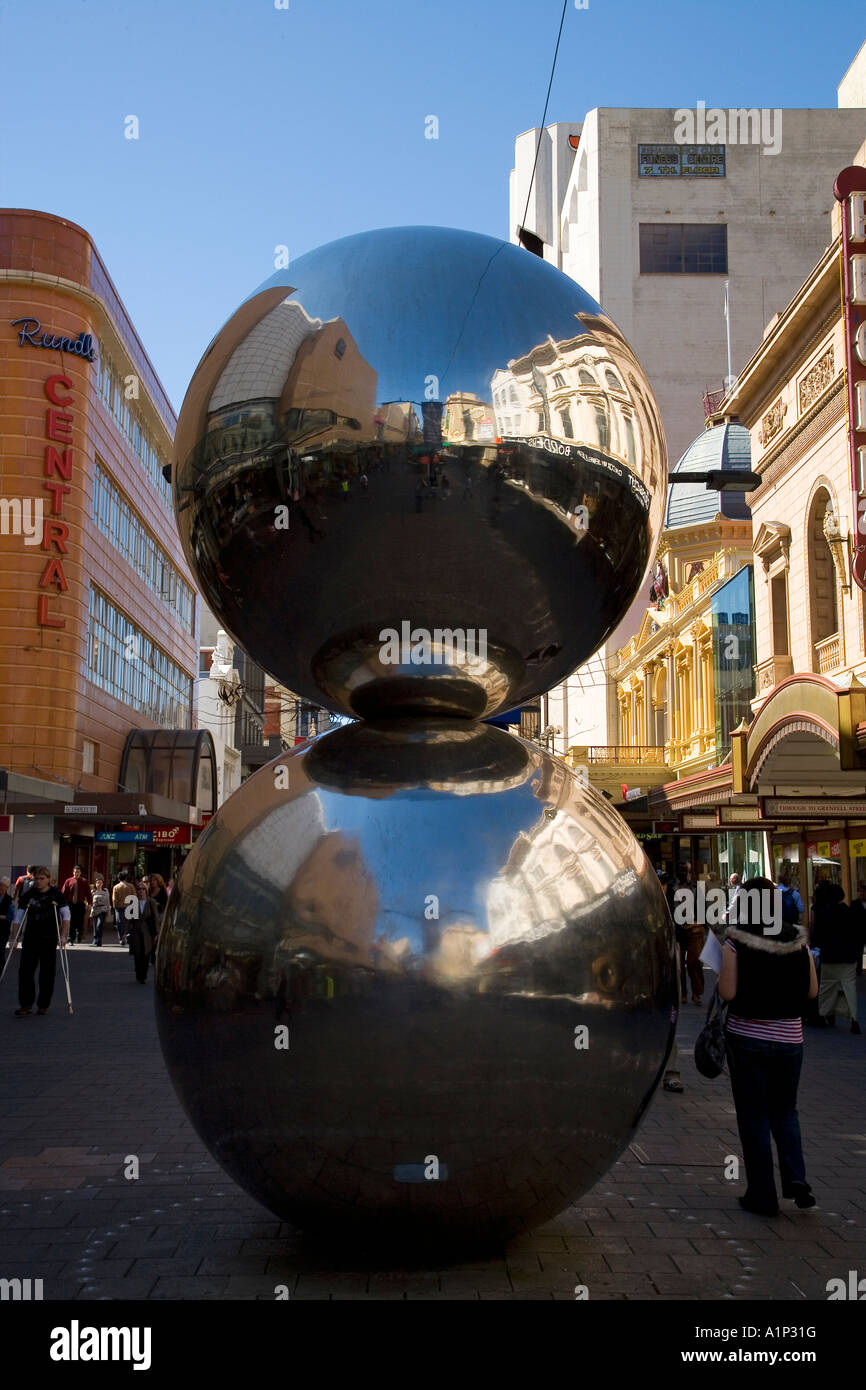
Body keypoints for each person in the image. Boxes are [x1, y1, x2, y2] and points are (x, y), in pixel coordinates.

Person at [719, 875, 819, 1215]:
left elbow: (727, 993)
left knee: (754, 1117)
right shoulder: (797, 939)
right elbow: (812, 992)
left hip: (747, 1037)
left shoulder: (736, 940)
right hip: (791, 1038)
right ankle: (796, 1179)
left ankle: (762, 1194)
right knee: (786, 1112)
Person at [13, 867, 70, 1015]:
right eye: (36, 879)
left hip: (49, 938)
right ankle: (26, 1004)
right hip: (30, 938)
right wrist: (14, 938)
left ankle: (43, 1004)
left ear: (48, 879)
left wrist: (63, 935)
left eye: (41, 879)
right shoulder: (28, 895)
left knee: (47, 973)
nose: (38, 881)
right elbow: (18, 917)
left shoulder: (56, 894)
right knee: (25, 972)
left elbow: (65, 915)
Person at [810, 881, 861, 1033]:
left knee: (827, 988)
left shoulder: (824, 912)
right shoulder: (848, 910)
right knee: (849, 988)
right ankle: (854, 1019)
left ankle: (826, 1013)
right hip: (848, 957)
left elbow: (817, 935)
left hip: (829, 956)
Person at [129, 879, 160, 984]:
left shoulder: (151, 902)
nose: (141, 891)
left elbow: (156, 918)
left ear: (146, 891)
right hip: (136, 931)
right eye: (139, 889)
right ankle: (138, 973)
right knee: (137, 954)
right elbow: (129, 918)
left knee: (146, 953)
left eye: (143, 889)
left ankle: (143, 975)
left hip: (147, 932)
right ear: (137, 891)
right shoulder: (133, 902)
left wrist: (157, 933)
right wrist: (126, 932)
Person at [61, 864, 91, 945]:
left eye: (77, 872)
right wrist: (62, 903)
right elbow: (63, 893)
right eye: (74, 872)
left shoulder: (84, 881)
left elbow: (88, 893)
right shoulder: (68, 881)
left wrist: (89, 903)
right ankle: (71, 938)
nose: (76, 873)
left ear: (80, 872)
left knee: (80, 921)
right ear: (72, 872)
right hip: (70, 904)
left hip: (80, 904)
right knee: (71, 921)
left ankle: (79, 936)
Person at [112, 870, 135, 945]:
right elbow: (134, 897)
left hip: (119, 907)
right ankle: (126, 937)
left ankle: (121, 938)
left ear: (118, 879)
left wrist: (114, 906)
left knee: (119, 923)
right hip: (129, 906)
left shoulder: (116, 887)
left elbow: (114, 899)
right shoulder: (131, 886)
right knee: (127, 923)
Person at [850, 881, 866, 978]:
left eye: (864, 892)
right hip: (858, 932)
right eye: (860, 892)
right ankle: (858, 970)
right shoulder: (854, 903)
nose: (862, 894)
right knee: (858, 952)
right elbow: (851, 918)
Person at [90, 877, 110, 948]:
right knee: (95, 926)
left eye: (100, 883)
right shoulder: (93, 892)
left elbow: (108, 901)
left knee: (99, 925)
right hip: (95, 910)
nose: (99, 884)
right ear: (95, 884)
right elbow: (90, 902)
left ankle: (99, 940)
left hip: (103, 910)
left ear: (102, 884)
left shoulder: (105, 891)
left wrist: (108, 911)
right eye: (97, 882)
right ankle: (95, 939)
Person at [0, 877, 14, 963]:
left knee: (1, 954)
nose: (1, 887)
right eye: (0, 885)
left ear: (7, 887)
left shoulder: (9, 900)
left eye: (3, 886)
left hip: (3, 930)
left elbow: (10, 916)